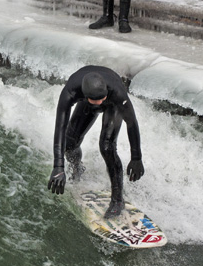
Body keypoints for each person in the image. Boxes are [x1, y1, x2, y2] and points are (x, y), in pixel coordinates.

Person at [48, 66, 145, 218]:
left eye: (101, 99)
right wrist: (58, 167)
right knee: (70, 143)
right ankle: (77, 167)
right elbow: (60, 127)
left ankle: (118, 200)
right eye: (96, 101)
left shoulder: (117, 92)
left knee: (107, 147)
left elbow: (131, 122)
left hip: (112, 104)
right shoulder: (70, 91)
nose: (100, 103)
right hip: (87, 101)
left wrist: (136, 158)